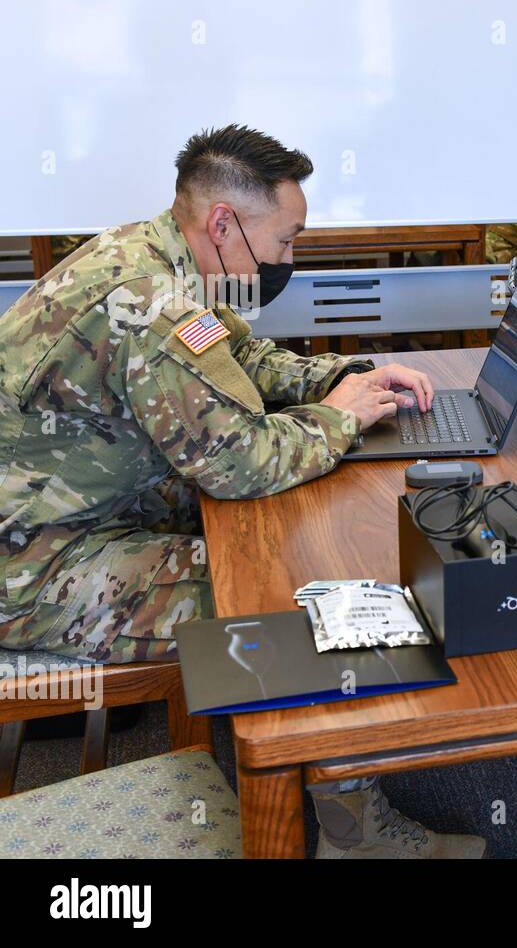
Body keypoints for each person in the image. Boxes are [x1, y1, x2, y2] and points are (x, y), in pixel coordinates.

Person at [0, 124, 483, 859]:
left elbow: (241, 357)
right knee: (291, 609)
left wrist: (340, 381)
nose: (289, 259)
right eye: (285, 242)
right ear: (223, 223)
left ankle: (328, 783)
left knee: (285, 552)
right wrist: (340, 421)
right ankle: (353, 837)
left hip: (85, 513)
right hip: (35, 566)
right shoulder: (149, 302)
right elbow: (240, 462)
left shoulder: (159, 252)